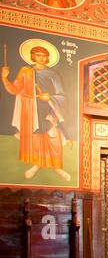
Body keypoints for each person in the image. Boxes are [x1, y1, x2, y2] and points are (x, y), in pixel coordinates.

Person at [2, 43, 70, 181]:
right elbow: (15, 89)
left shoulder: (53, 74)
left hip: (48, 107)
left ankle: (56, 167)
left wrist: (49, 97)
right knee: (36, 138)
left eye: (44, 56)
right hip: (30, 109)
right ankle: (36, 166)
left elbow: (62, 95)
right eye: (38, 55)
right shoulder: (26, 71)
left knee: (54, 136)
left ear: (47, 58)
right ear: (33, 57)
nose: (41, 58)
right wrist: (4, 77)